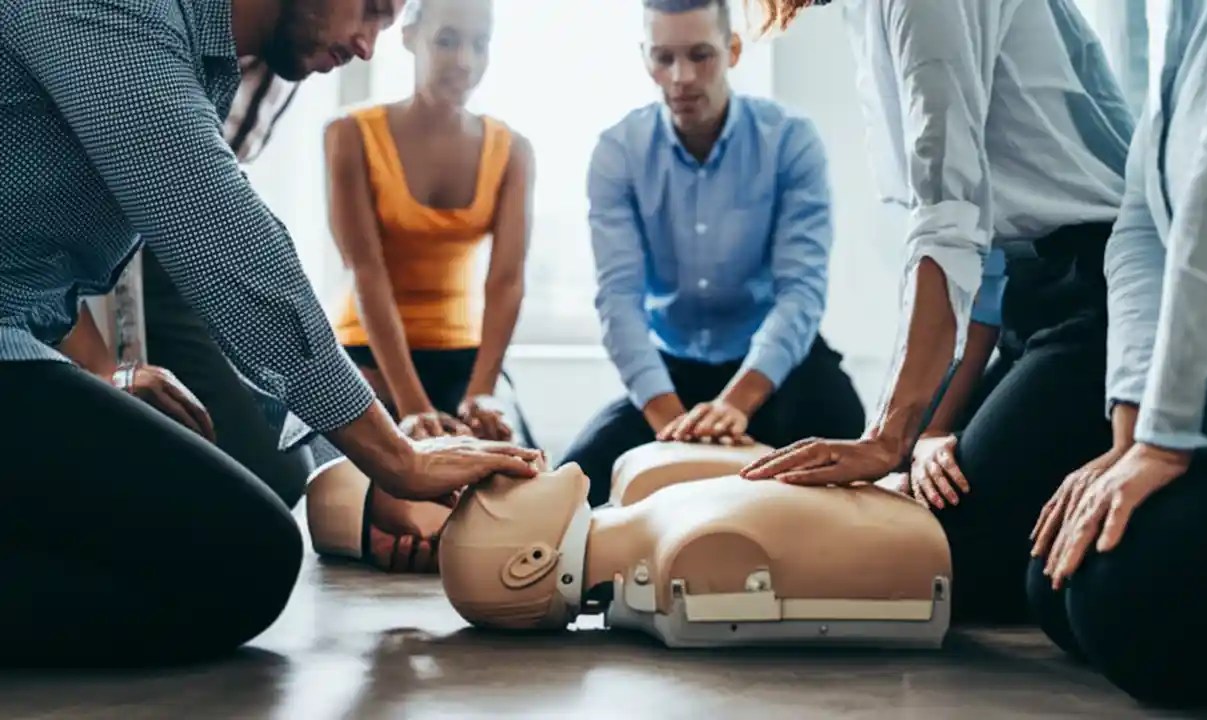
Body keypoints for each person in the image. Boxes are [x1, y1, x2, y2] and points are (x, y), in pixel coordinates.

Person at [0, 0, 542, 667]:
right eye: (371, 8)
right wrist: (397, 458)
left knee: (246, 504)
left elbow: (37, 278)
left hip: (18, 342)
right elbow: (224, 234)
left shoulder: (192, 50)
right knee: (245, 559)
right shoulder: (108, 8)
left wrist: (100, 385)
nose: (369, 45)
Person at [739, 0, 1135, 623]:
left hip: (1106, 297)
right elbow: (983, 265)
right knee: (919, 501)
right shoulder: (866, 13)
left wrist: (884, 437)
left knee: (949, 559)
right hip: (1027, 305)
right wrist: (920, 437)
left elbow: (948, 227)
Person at [1025, 0, 1207, 708]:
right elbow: (1142, 224)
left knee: (1123, 599)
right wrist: (1131, 437)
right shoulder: (1189, 19)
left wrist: (1166, 447)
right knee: (1057, 575)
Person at [560, 0, 865, 507]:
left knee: (842, 432)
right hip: (671, 375)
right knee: (573, 481)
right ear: (645, 59)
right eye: (664, 58)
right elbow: (618, 300)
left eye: (700, 55)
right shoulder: (618, 151)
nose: (680, 77)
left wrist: (736, 405)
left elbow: (801, 292)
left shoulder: (790, 141)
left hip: (773, 366)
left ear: (733, 50)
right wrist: (672, 429)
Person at [325, 0, 538, 448]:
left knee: (515, 474)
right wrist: (413, 406)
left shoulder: (513, 149)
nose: (464, 61)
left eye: (480, 45)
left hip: (465, 359)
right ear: (409, 38)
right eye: (446, 41)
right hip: (367, 353)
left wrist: (482, 391)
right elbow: (366, 270)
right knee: (375, 478)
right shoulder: (349, 135)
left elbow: (506, 282)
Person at [135, 57, 312, 509]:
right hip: (120, 260)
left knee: (288, 470)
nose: (366, 46)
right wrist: (105, 369)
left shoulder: (290, 62)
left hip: (184, 251)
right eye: (369, 9)